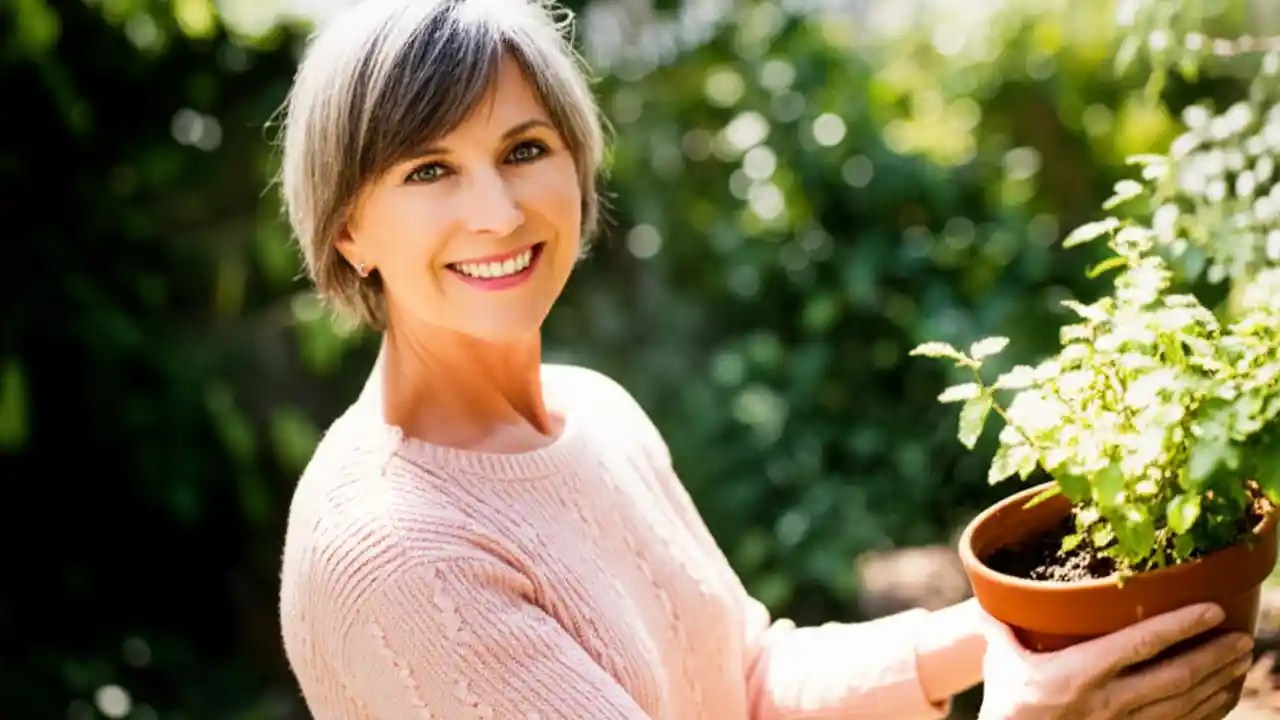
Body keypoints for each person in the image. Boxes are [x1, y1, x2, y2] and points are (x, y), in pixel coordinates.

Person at [274, 1, 1255, 717]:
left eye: (525, 147)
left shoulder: (593, 413)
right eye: (429, 170)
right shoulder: (398, 554)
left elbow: (747, 681)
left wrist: (1018, 630)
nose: (497, 210)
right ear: (348, 228)